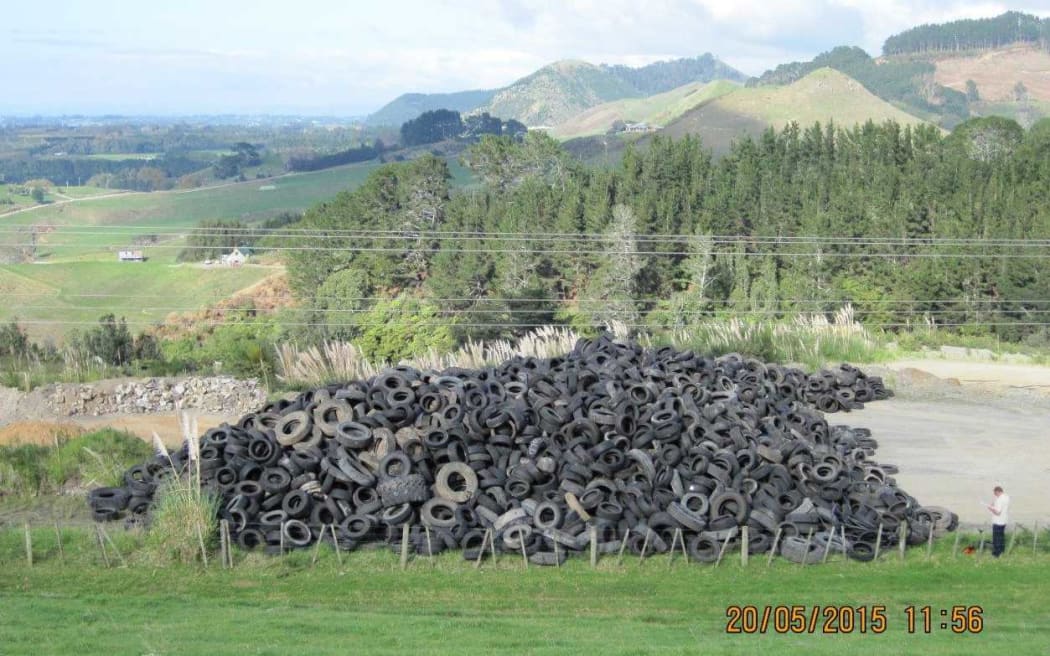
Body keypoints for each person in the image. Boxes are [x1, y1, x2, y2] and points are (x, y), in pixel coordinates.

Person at [987, 485, 1010, 557]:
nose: (995, 495)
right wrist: (994, 503)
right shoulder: (1006, 497)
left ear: (997, 491)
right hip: (1004, 520)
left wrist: (991, 509)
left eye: (995, 493)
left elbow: (998, 512)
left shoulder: (1000, 499)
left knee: (996, 538)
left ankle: (996, 553)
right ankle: (1002, 550)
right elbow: (1000, 506)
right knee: (1001, 537)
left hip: (998, 521)